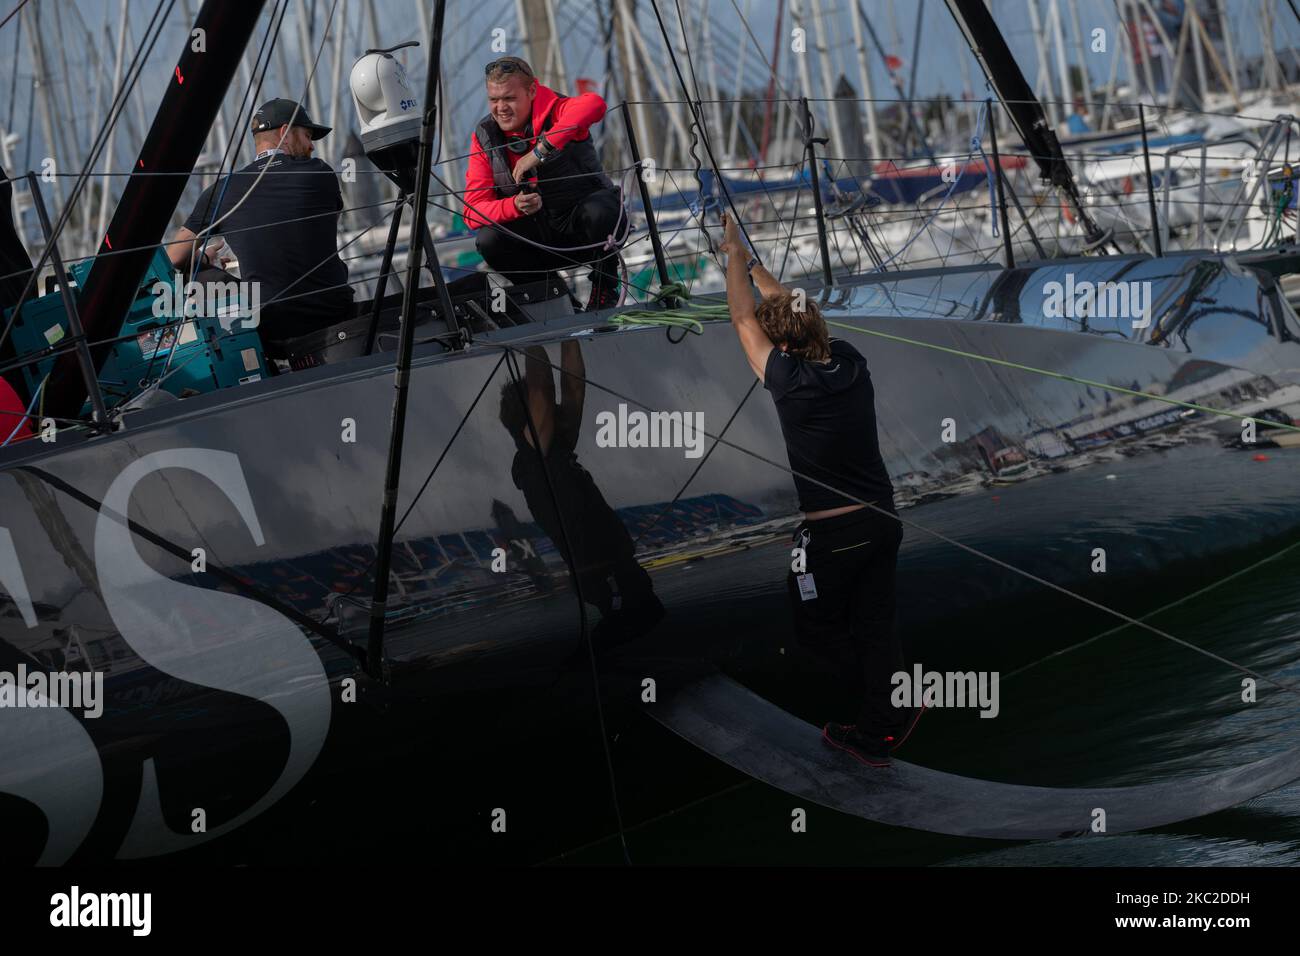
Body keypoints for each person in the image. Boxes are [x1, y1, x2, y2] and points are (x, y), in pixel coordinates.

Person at [717, 212, 921, 767]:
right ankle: (886, 714)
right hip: (882, 522)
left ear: (782, 344)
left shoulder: (789, 381)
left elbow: (740, 320)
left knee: (816, 630)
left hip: (834, 539)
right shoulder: (851, 362)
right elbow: (796, 313)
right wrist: (756, 267)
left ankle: (884, 705)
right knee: (876, 625)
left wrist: (733, 256)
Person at [499, 341, 663, 643]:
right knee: (634, 632)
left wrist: (567, 331)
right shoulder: (533, 459)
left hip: (620, 573)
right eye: (545, 411)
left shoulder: (559, 446)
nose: (562, 409)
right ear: (529, 420)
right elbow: (543, 391)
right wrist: (530, 336)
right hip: (603, 578)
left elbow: (573, 388)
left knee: (645, 622)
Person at [166, 99, 354, 358]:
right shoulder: (320, 173)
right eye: (308, 136)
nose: (311, 146)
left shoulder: (221, 191)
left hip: (275, 325)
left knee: (194, 276)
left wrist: (203, 259)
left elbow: (173, 258)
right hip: (334, 314)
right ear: (285, 132)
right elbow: (315, 235)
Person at [464, 56, 624, 313]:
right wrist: (514, 205)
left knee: (602, 207)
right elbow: (472, 211)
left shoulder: (557, 109)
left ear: (532, 91)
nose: (501, 108)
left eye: (509, 98)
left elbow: (594, 104)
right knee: (489, 239)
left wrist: (540, 151)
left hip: (583, 234)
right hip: (538, 243)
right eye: (494, 100)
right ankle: (558, 300)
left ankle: (604, 290)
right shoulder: (484, 136)